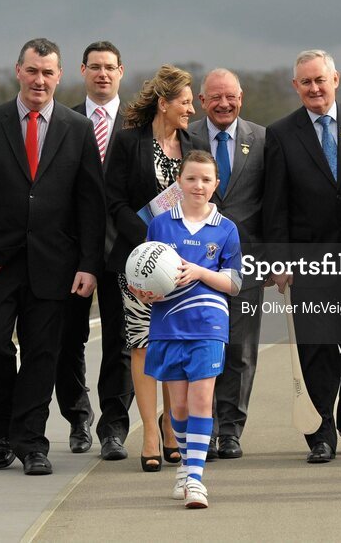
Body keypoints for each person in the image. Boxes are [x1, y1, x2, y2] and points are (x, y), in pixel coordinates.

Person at [0, 38, 105, 476]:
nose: (39, 80)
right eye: (32, 71)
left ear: (59, 76)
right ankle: (1, 429)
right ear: (18, 71)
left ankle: (30, 443)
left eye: (48, 73)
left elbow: (90, 203)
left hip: (55, 263)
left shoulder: (77, 128)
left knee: (42, 354)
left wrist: (88, 264)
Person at [262, 49, 341, 463]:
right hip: (308, 263)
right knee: (316, 349)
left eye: (320, 79)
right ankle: (321, 434)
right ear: (295, 86)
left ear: (336, 79)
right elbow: (275, 205)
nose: (314, 88)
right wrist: (278, 260)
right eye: (306, 82)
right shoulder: (280, 133)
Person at [105, 64, 210, 471]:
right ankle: (149, 431)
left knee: (174, 345)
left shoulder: (195, 142)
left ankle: (171, 428)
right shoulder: (128, 141)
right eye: (185, 102)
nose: (191, 109)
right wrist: (151, 237)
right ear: (163, 104)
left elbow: (205, 196)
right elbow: (113, 201)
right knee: (144, 345)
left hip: (184, 265)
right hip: (139, 262)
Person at [133, 150, 243, 509]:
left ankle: (195, 478)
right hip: (168, 325)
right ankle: (185, 464)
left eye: (206, 180)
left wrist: (199, 272)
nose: (198, 185)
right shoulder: (160, 224)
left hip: (209, 324)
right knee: (178, 407)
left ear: (216, 184)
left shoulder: (226, 229)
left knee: (201, 400)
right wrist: (142, 290)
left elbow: (234, 282)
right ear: (178, 182)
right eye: (191, 178)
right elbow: (144, 272)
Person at [56, 40, 134, 459]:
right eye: (95, 67)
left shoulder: (139, 124)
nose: (103, 74)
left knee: (122, 341)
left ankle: (114, 427)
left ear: (121, 71)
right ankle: (77, 418)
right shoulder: (63, 121)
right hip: (73, 251)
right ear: (83, 71)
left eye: (110, 67)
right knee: (68, 339)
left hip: (125, 250)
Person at [189, 69, 266, 460]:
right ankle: (206, 429)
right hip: (194, 262)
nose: (223, 104)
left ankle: (231, 431)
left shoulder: (264, 139)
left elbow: (274, 202)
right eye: (215, 97)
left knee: (241, 351)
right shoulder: (186, 137)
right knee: (203, 349)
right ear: (202, 101)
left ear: (241, 97)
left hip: (246, 263)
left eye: (230, 96)